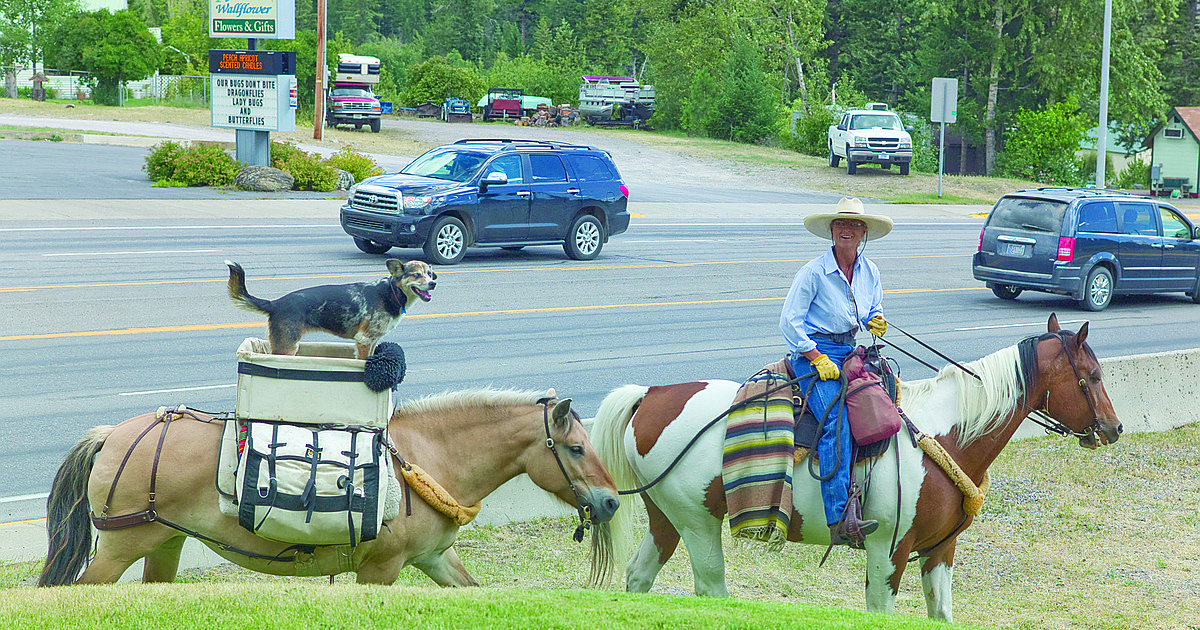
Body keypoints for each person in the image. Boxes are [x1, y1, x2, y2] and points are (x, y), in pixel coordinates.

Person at [779, 197, 893, 547]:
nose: (848, 229)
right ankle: (839, 515)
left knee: (885, 399)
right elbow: (789, 322)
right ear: (832, 231)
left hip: (848, 349)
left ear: (864, 233)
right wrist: (815, 356)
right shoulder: (813, 272)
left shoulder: (870, 271)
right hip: (812, 351)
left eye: (855, 225)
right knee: (837, 418)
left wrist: (876, 321)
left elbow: (871, 308)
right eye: (841, 224)